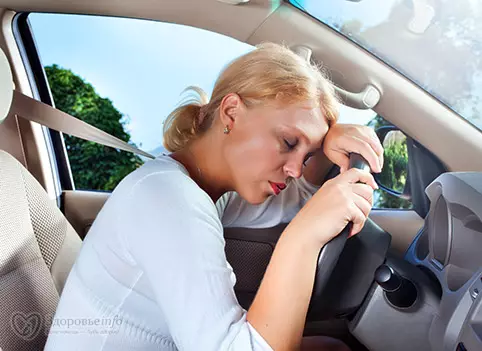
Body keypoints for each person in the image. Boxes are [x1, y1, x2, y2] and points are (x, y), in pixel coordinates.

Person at [45, 43, 383, 350]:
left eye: (305, 156)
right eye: (289, 142)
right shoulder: (168, 199)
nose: (296, 169)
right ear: (232, 112)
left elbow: (303, 196)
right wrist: (302, 240)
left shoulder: (207, 191)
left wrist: (328, 141)